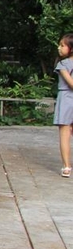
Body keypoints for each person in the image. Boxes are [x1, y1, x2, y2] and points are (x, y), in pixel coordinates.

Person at [55, 33, 73, 178]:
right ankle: (67, 166)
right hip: (67, 97)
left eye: (62, 45)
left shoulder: (62, 64)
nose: (59, 48)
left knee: (65, 134)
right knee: (65, 133)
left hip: (66, 99)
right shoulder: (62, 64)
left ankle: (67, 166)